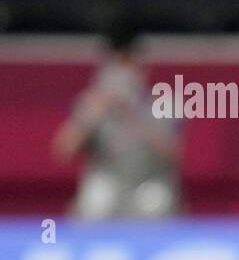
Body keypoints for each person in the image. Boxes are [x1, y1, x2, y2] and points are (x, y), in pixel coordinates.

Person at [54, 22, 182, 219]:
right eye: (116, 63)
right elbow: (63, 151)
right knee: (97, 197)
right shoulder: (92, 102)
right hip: (109, 184)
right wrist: (92, 114)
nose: (122, 71)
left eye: (128, 62)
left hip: (148, 183)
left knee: (155, 201)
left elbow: (173, 154)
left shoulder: (164, 103)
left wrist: (132, 111)